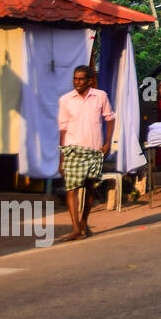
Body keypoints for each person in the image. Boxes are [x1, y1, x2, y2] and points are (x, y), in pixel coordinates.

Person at [56, 65, 116, 242]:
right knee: (72, 188)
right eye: (75, 79)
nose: (77, 82)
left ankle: (84, 221)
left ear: (90, 80)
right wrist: (61, 157)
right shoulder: (66, 100)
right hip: (72, 149)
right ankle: (75, 228)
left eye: (81, 79)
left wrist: (107, 143)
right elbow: (62, 129)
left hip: (94, 149)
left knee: (90, 187)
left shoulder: (100, 96)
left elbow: (110, 119)